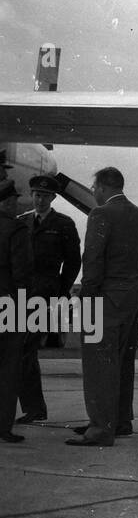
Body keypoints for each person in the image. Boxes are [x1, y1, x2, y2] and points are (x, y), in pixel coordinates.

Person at [66, 167, 138, 447]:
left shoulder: (101, 214)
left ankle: (100, 428)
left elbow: (93, 258)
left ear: (104, 187)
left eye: (94, 187)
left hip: (106, 297)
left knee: (99, 364)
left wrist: (88, 296)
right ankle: (119, 421)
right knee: (122, 362)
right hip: (133, 297)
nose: (93, 192)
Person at [16, 174, 81, 425]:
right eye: (36, 194)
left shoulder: (64, 224)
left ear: (53, 197)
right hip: (20, 295)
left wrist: (60, 291)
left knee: (24, 348)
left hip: (46, 293)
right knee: (22, 350)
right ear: (31, 195)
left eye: (45, 195)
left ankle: (33, 408)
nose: (40, 199)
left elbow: (73, 261)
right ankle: (34, 408)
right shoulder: (22, 222)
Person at [0, 179, 35, 443]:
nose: (15, 204)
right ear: (7, 202)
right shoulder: (16, 229)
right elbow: (22, 273)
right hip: (8, 305)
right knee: (9, 368)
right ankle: (3, 427)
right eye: (13, 200)